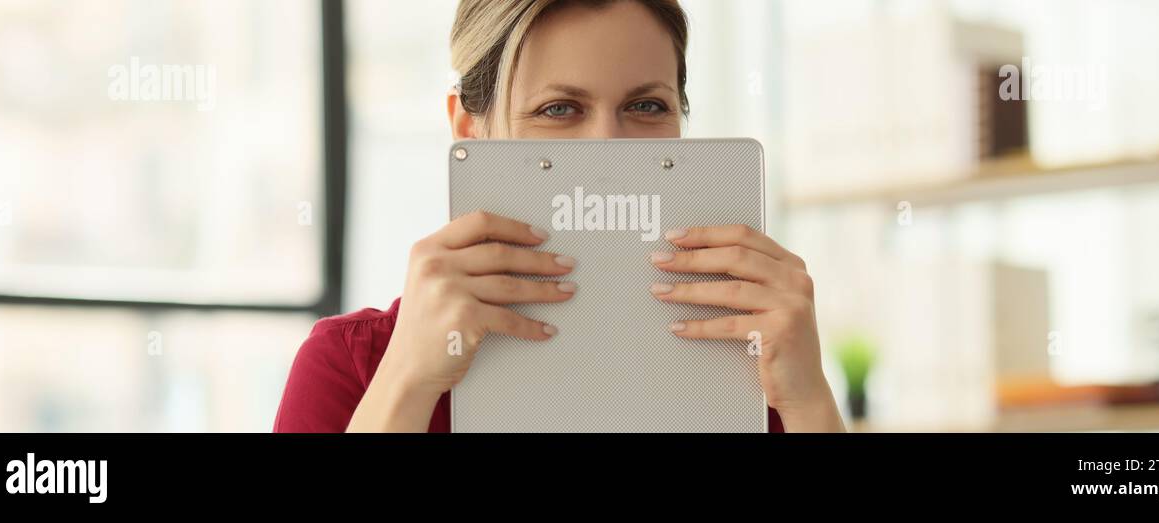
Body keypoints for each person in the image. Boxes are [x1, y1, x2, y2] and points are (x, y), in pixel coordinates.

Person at [274, 0, 845, 433]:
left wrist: (810, 404)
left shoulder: (744, 368)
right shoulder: (351, 366)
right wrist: (406, 382)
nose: (607, 151)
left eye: (646, 106)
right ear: (470, 129)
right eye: (559, 109)